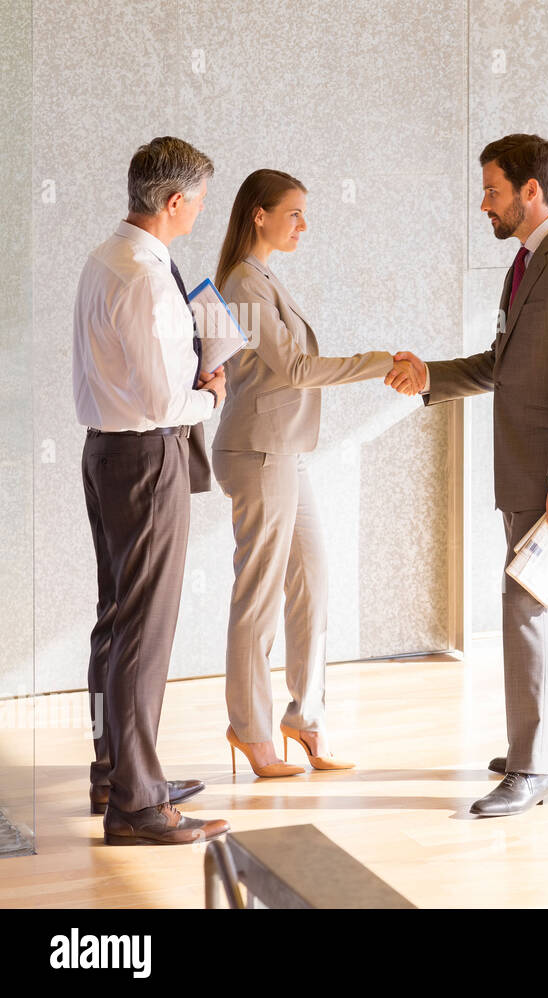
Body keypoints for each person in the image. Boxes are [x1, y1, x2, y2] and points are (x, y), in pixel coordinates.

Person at [388, 134, 548, 817]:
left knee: (528, 608)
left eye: (492, 191)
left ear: (531, 192)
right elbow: (500, 364)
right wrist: (431, 376)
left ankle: (531, 769)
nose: (483, 204)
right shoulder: (527, 265)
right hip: (535, 469)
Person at [213, 169, 410, 777]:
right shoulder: (245, 281)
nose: (304, 224)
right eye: (294, 213)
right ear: (259, 215)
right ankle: (249, 730)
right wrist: (380, 363)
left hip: (281, 452)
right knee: (259, 594)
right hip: (257, 453)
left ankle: (305, 716)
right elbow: (294, 368)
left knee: (312, 580)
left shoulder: (264, 278)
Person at [74, 136, 231, 845]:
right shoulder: (143, 274)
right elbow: (167, 399)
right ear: (174, 202)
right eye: (198, 202)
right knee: (145, 629)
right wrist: (212, 394)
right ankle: (137, 804)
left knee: (116, 619)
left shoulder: (106, 257)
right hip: (145, 458)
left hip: (107, 453)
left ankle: (118, 771)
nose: (200, 213)